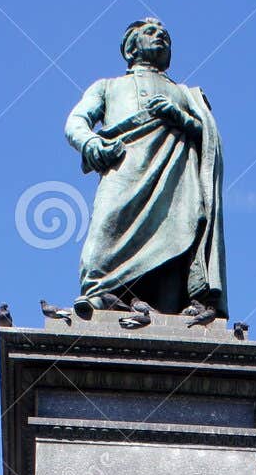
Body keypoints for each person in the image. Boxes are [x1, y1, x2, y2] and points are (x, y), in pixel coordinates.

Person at [65, 18, 227, 319]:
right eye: (151, 33)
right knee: (105, 228)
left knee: (177, 235)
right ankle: (99, 294)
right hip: (124, 167)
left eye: (165, 35)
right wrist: (91, 144)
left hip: (176, 182)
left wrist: (179, 116)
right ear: (130, 47)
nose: (160, 38)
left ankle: (169, 309)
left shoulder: (185, 93)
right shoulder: (108, 87)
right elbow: (76, 122)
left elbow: (207, 137)